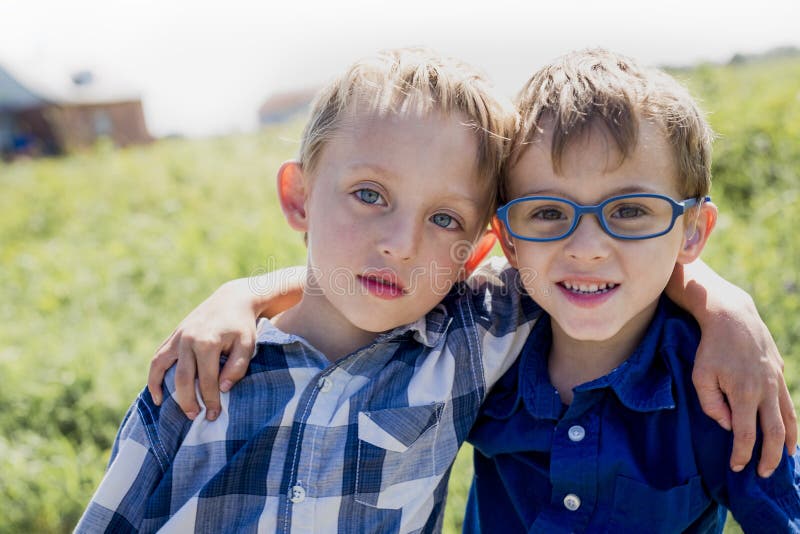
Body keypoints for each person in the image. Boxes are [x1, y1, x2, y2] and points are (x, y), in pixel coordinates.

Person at [77, 47, 538, 533]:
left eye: (445, 219)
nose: (402, 246)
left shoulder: (464, 345)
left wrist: (251, 290)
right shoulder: (200, 371)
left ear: (473, 249)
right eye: (369, 194)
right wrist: (246, 293)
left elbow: (572, 273)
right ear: (299, 197)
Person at [464, 48, 800, 532]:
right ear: (509, 240)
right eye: (548, 212)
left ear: (692, 232)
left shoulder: (716, 389)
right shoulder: (480, 344)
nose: (587, 248)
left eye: (629, 211)